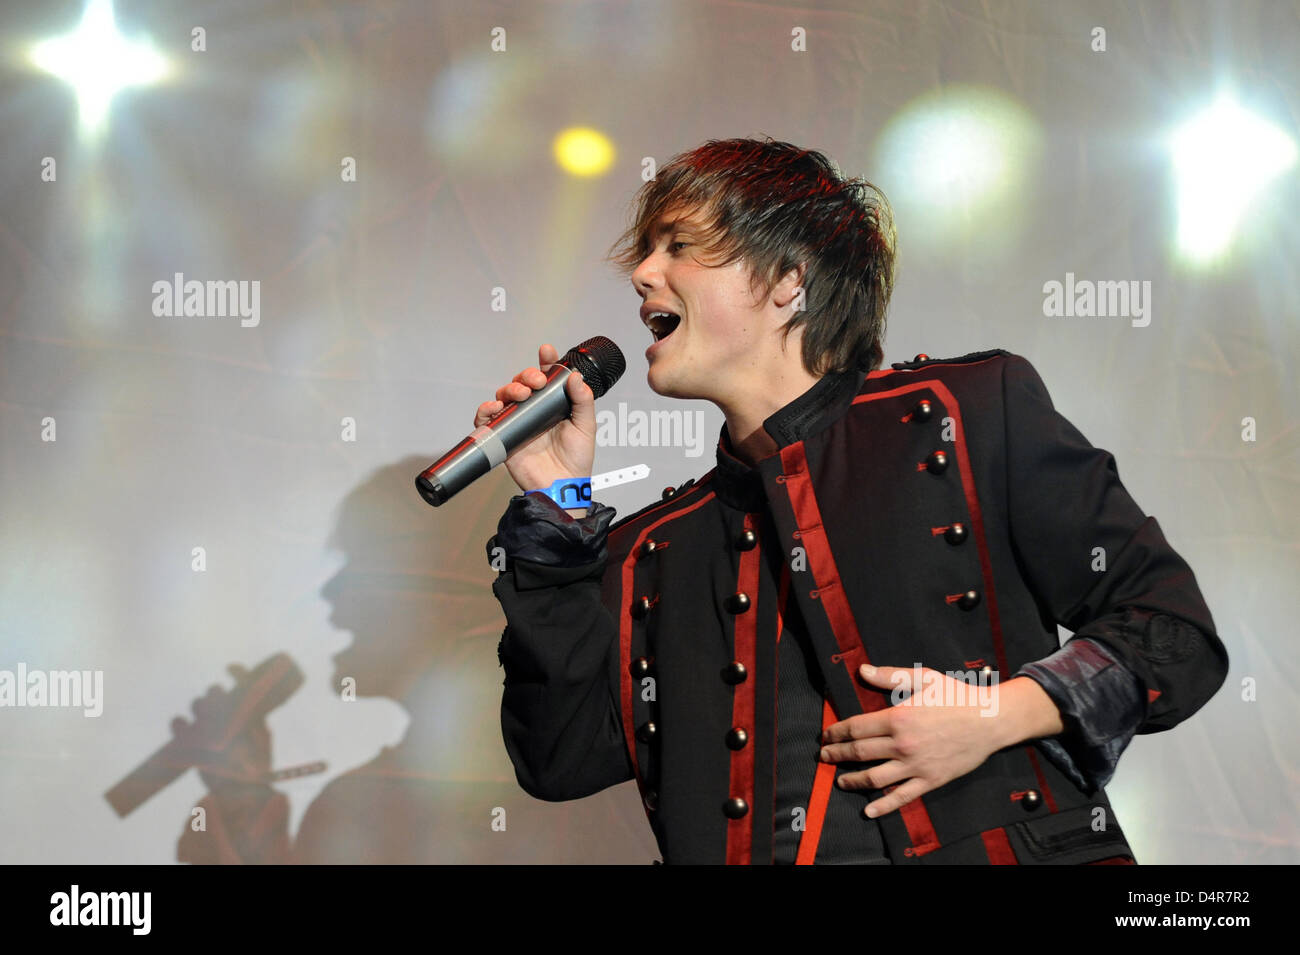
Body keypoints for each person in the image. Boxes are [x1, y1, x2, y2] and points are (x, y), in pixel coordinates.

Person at [479, 137, 1228, 864]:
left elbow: (1175, 632)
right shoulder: (656, 546)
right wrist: (559, 507)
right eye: (648, 251)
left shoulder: (964, 412)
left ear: (787, 281)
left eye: (677, 245)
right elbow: (560, 759)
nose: (643, 273)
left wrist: (994, 714)